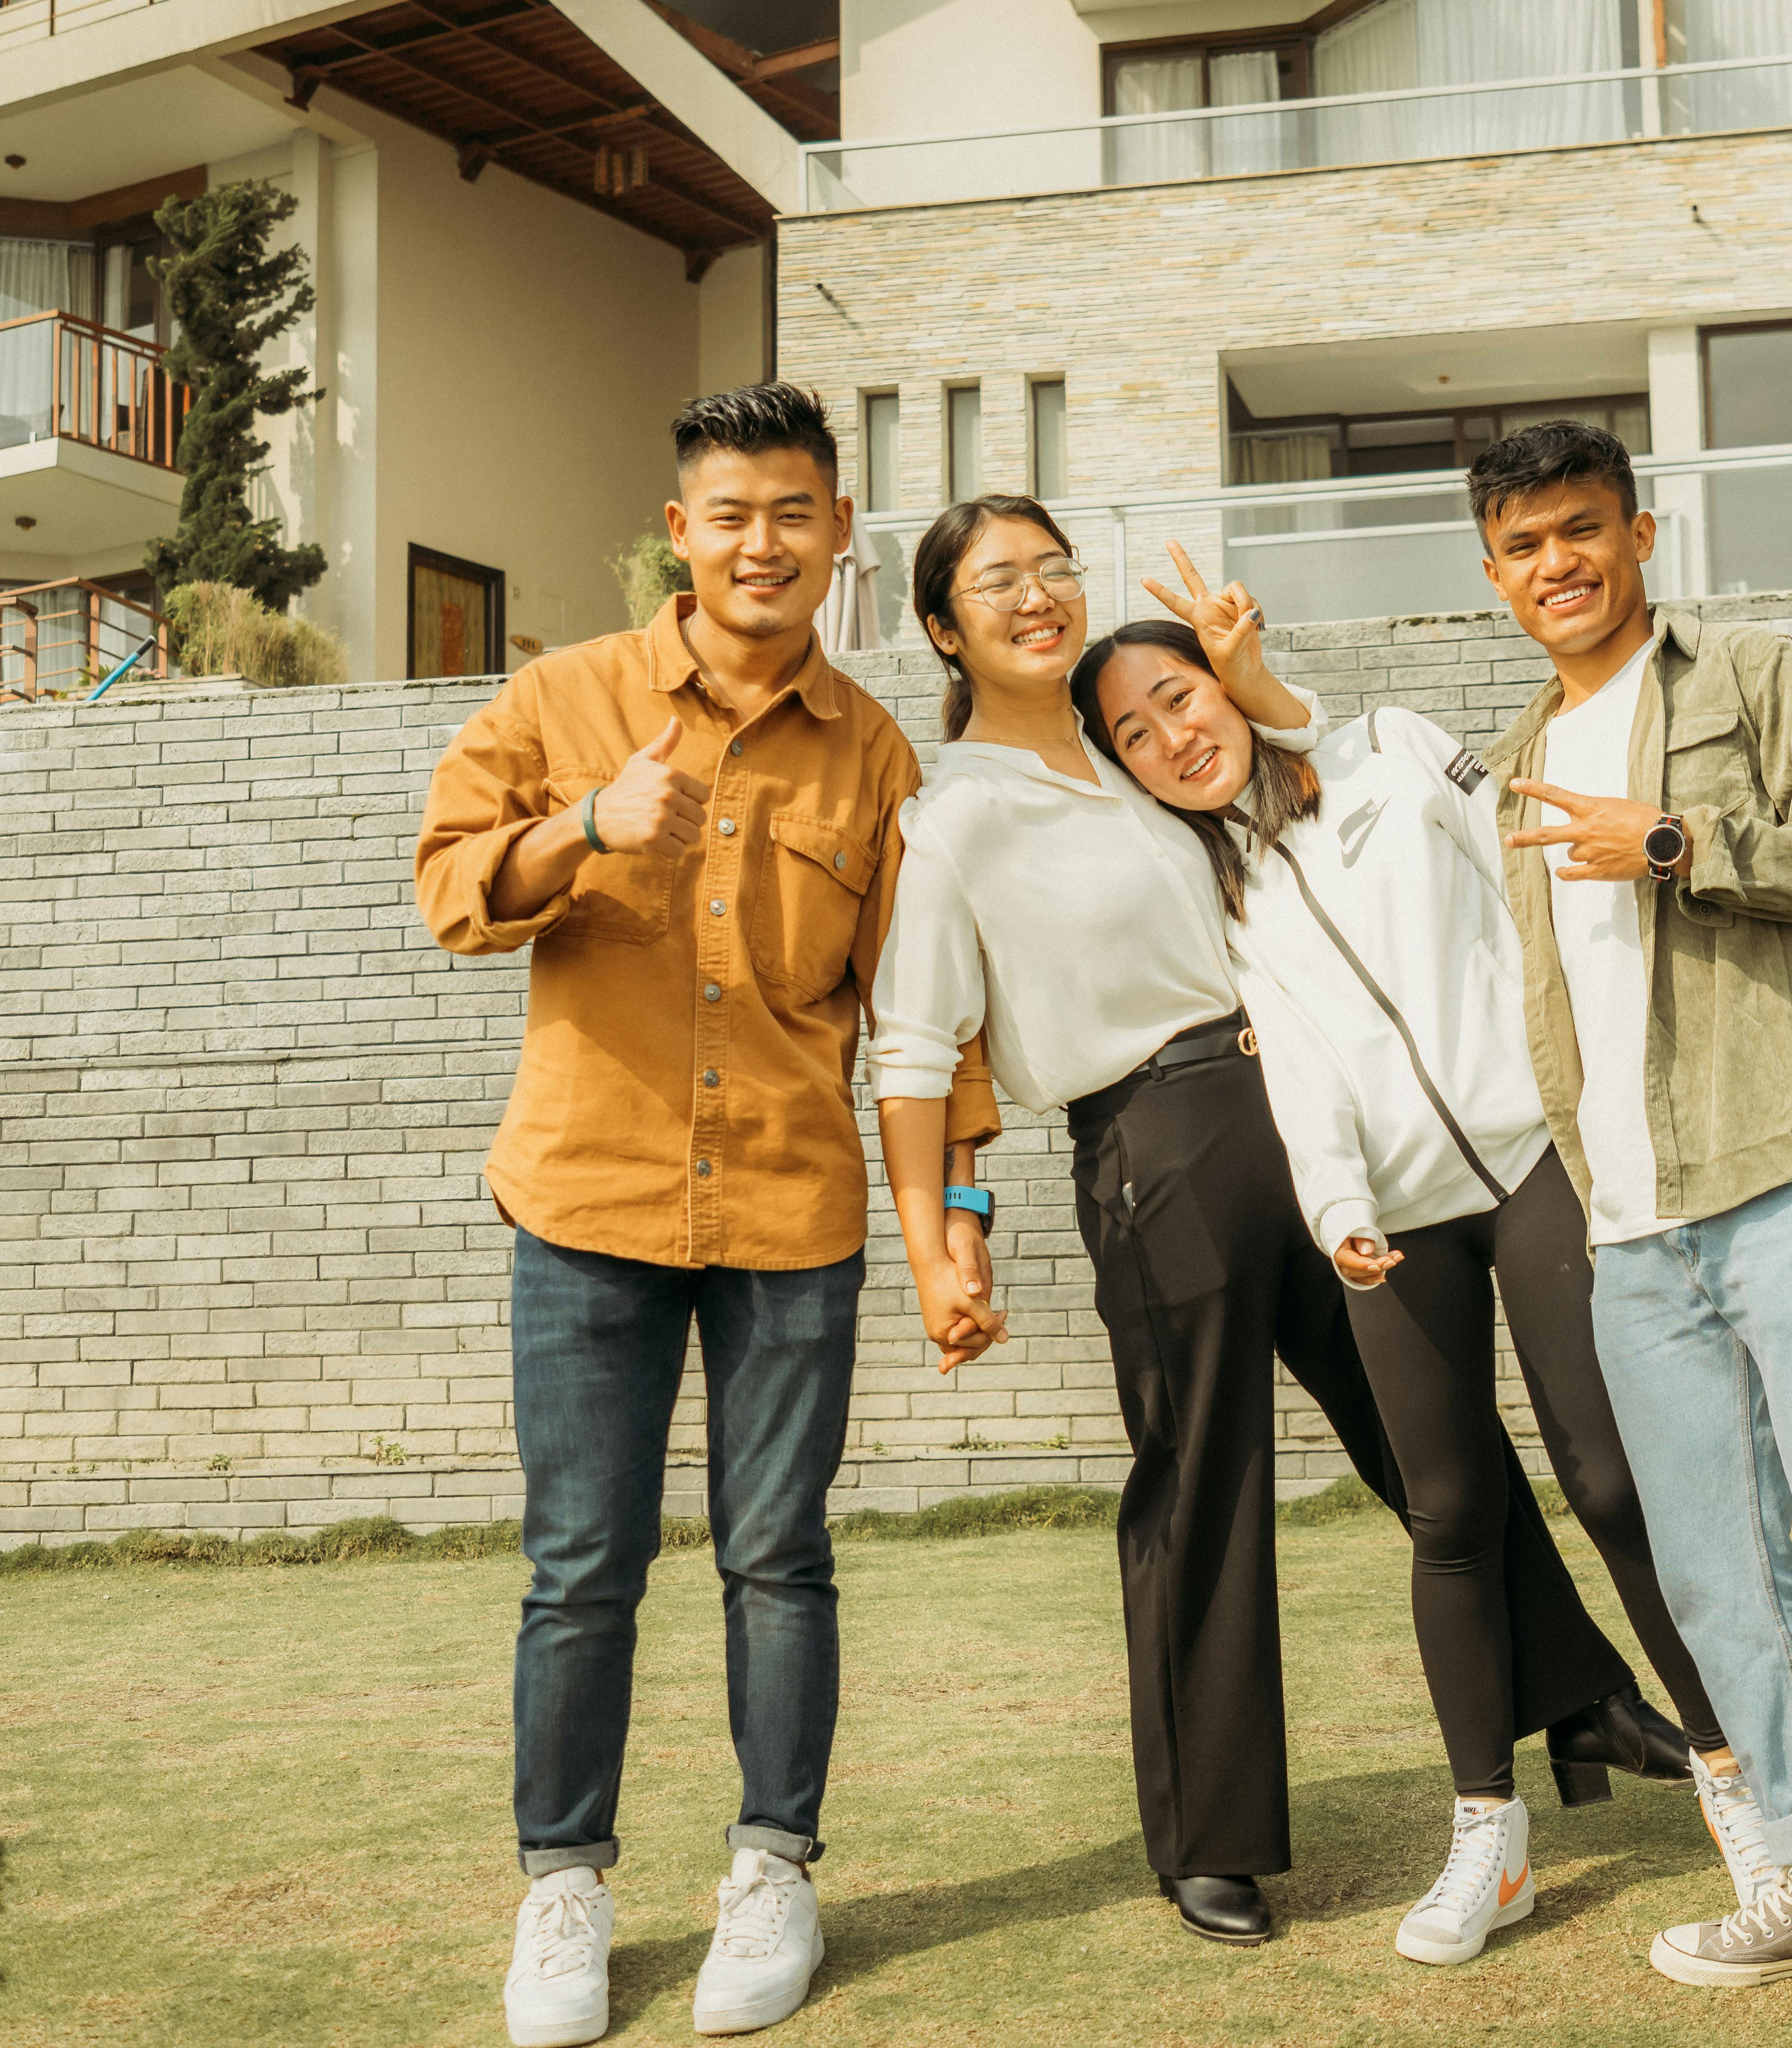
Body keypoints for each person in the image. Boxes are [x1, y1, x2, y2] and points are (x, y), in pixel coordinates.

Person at [865, 499, 1684, 1947]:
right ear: (945, 627)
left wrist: (1251, 685)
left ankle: (1574, 1697)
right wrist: (944, 1237)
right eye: (1001, 582)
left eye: (1057, 566)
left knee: (1429, 1433)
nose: (1040, 596)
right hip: (1158, 1144)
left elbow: (1337, 807)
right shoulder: (952, 821)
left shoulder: (1146, 749)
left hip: (1311, 1109)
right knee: (1206, 1483)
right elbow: (919, 1049)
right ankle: (1210, 1836)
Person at [414, 384, 1002, 2047]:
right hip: (582, 1203)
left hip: (794, 1220)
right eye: (731, 513)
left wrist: (959, 1213)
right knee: (581, 1566)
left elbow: (924, 1011)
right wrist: (582, 825)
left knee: (779, 1559)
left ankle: (775, 1867)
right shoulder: (565, 697)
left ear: (835, 537)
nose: (764, 543)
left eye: (794, 513)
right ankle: (564, 1889)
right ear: (682, 531)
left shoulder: (875, 749)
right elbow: (450, 887)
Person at [1078, 560, 1767, 1970]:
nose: (1170, 740)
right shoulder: (1228, 896)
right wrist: (1334, 1204)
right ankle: (1488, 1835)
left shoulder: (1385, 746)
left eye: (1176, 699)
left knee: (1611, 1477)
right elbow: (1303, 1072)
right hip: (1393, 1214)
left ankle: (1737, 1781)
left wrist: (1295, 708)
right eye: (1135, 739)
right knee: (1448, 1513)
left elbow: (1511, 857)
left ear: (1226, 677)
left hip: (1527, 1160)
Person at [1474, 420, 1792, 2048]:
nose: (1559, 563)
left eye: (1582, 531)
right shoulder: (1520, 758)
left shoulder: (1748, 676)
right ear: (1494, 572)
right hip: (1634, 1221)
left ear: (1639, 535)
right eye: (1525, 544)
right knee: (1716, 1575)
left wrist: (1677, 845)